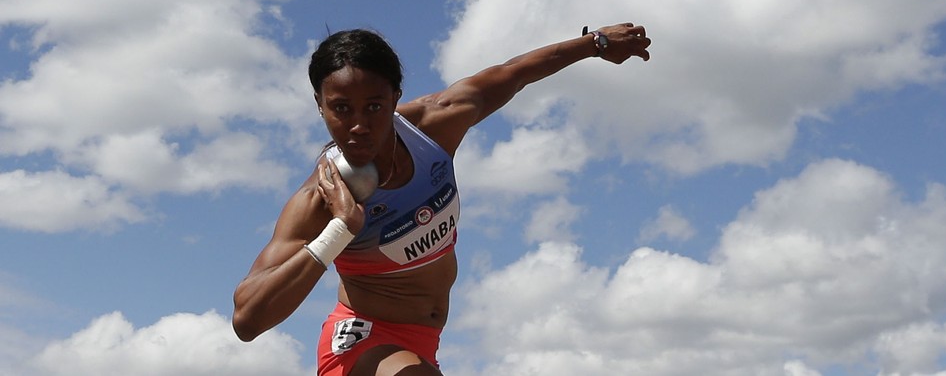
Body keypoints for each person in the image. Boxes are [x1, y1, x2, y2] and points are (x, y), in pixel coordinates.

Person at [232, 22, 652, 375]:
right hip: (365, 344)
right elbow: (247, 319)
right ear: (320, 105)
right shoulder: (321, 199)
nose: (358, 125)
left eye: (373, 107)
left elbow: (515, 73)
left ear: (395, 97)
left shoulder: (433, 128)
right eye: (341, 109)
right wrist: (340, 230)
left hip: (424, 343)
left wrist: (596, 43)